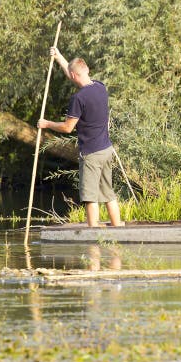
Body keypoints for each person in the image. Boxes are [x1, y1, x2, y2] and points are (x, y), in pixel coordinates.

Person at [37, 47, 124, 227]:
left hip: (91, 154)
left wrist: (47, 124)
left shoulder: (78, 99)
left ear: (74, 75)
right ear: (87, 70)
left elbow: (68, 128)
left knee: (90, 197)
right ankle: (118, 230)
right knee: (108, 194)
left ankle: (93, 237)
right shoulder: (100, 87)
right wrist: (60, 57)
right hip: (107, 150)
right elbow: (74, 75)